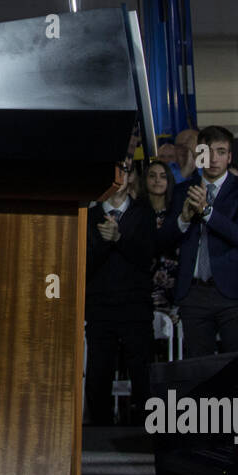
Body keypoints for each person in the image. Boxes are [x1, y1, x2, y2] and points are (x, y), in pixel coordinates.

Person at [157, 126, 238, 356]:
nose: (213, 158)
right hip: (193, 293)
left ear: (230, 157)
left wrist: (206, 211)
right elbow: (163, 241)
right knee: (198, 369)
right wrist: (183, 220)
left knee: (236, 366)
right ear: (197, 154)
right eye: (207, 151)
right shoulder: (183, 190)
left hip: (233, 293)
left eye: (221, 151)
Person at [85, 163, 156, 424]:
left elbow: (146, 257)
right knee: (99, 370)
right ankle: (98, 431)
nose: (120, 175)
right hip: (100, 306)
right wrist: (106, 243)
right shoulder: (90, 217)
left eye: (125, 170)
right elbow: (85, 263)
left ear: (132, 178)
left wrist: (118, 238)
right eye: (114, 170)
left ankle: (145, 431)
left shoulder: (143, 214)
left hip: (135, 305)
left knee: (142, 370)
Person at [144, 160, 180, 312]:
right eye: (152, 176)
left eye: (163, 176)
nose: (157, 180)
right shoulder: (137, 212)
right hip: (145, 281)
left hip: (174, 282)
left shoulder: (177, 213)